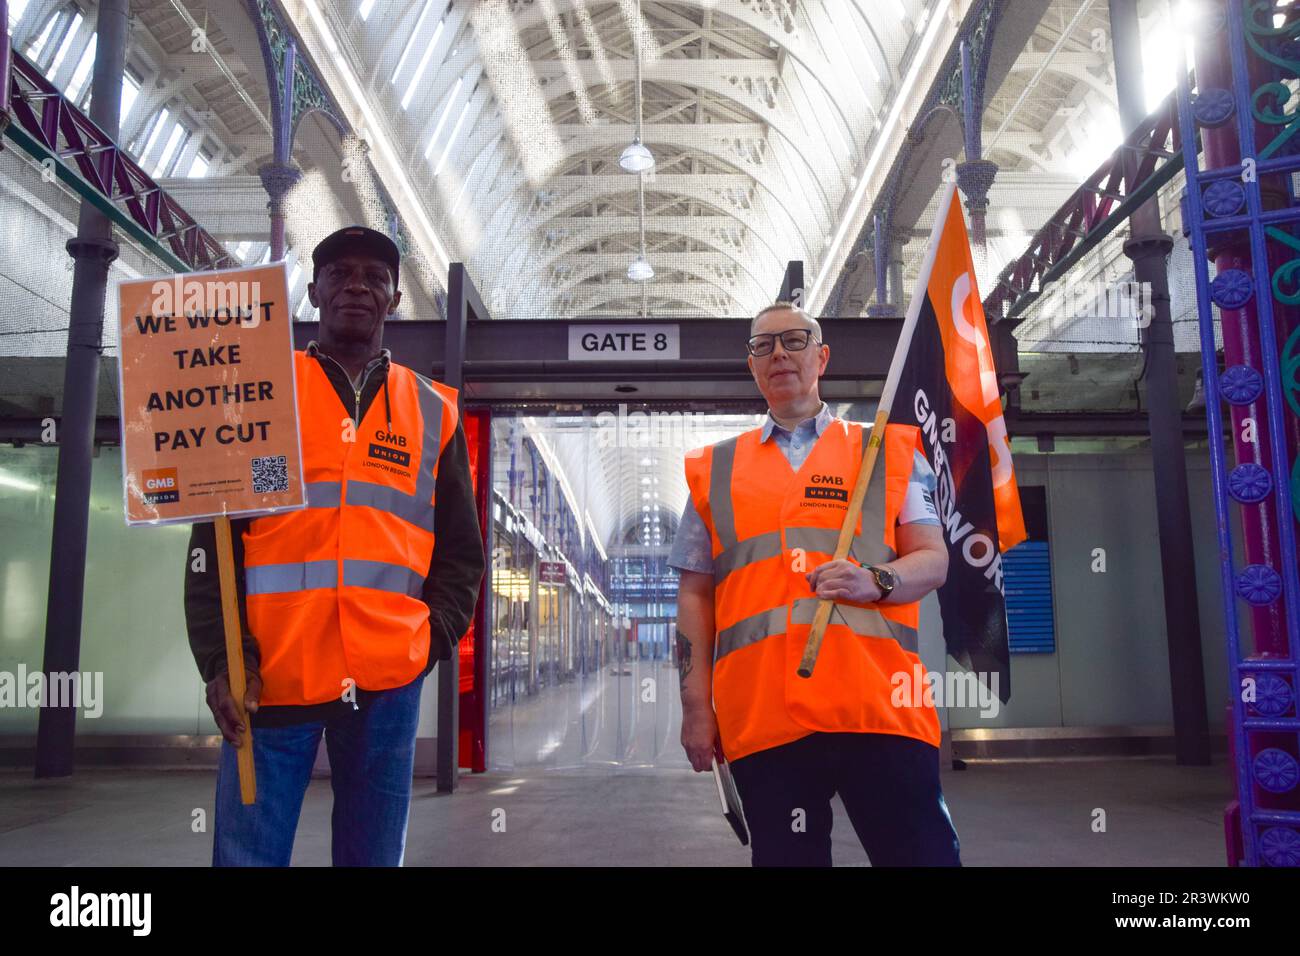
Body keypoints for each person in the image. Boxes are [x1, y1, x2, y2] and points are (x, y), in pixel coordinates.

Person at [184, 226, 485, 866]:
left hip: (385, 680)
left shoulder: (432, 411)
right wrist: (221, 659)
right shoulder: (257, 394)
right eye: (341, 274)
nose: (357, 286)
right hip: (270, 678)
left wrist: (430, 640)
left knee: (372, 857)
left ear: (395, 296)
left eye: (374, 277)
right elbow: (215, 542)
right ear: (314, 292)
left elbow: (462, 552)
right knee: (248, 857)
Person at [669, 301, 960, 867]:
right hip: (766, 715)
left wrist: (875, 579)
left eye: (795, 340)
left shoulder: (886, 452)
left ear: (821, 356)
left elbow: (933, 560)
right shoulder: (715, 472)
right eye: (763, 346)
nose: (778, 353)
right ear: (751, 367)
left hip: (877, 706)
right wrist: (695, 707)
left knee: (922, 859)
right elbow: (694, 596)